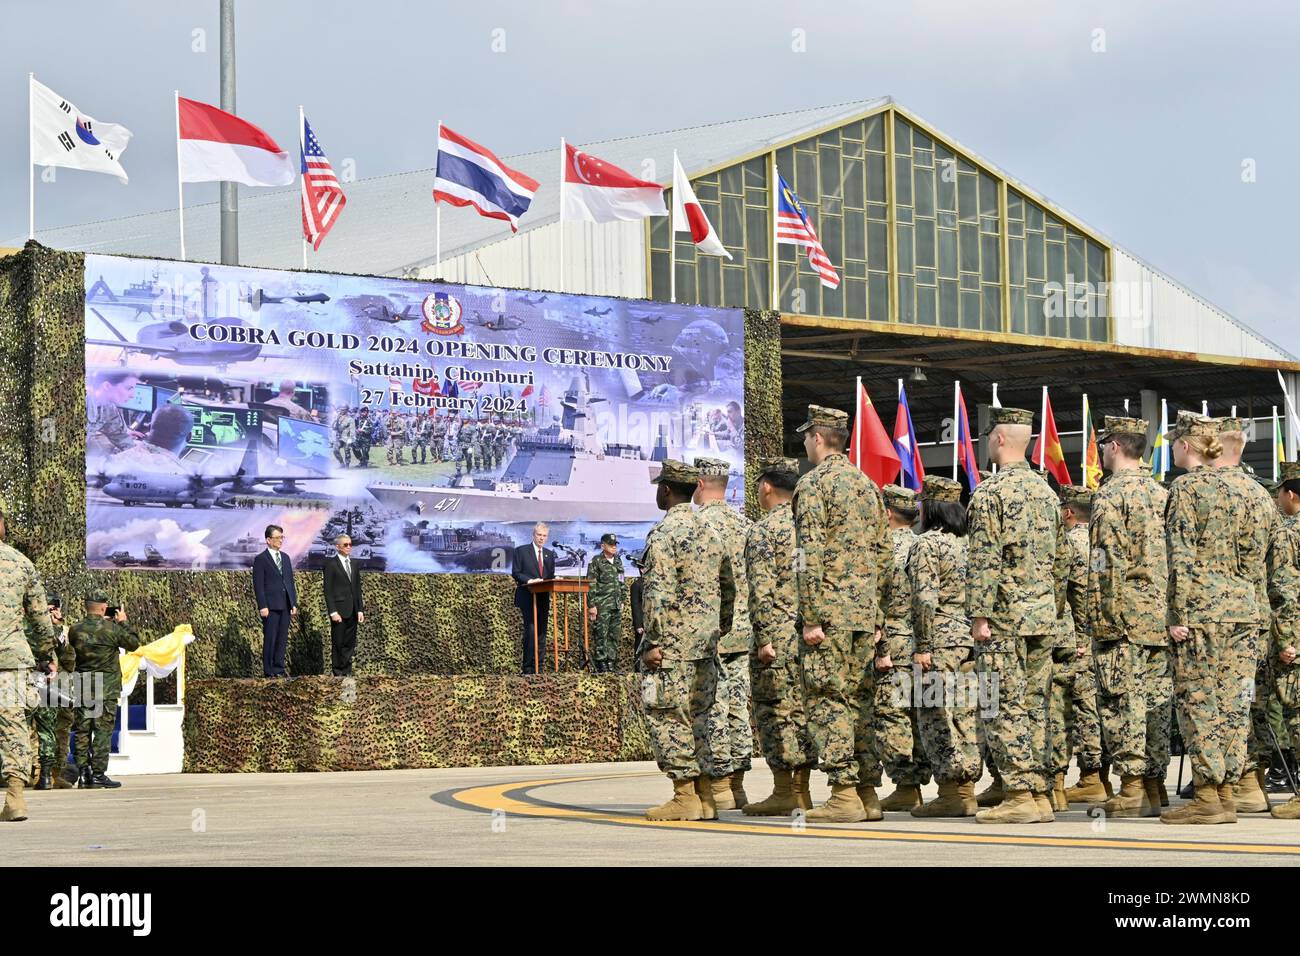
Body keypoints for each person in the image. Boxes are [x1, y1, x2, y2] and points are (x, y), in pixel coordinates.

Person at [967, 406, 1070, 825]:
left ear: (998, 440)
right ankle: (1040, 792)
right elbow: (1061, 561)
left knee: (1001, 703)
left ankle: (1020, 793)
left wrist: (979, 614)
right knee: (1035, 704)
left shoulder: (991, 494)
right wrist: (1053, 606)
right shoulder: (1047, 493)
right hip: (1042, 614)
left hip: (1004, 618)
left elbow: (984, 560)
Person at [793, 404, 892, 823]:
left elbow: (806, 556)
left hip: (829, 616)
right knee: (860, 701)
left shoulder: (813, 485)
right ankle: (867, 791)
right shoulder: (868, 486)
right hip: (862, 614)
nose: (804, 445)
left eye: (805, 438)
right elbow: (885, 555)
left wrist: (810, 616)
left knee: (827, 699)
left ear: (817, 437)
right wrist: (877, 616)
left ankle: (844, 794)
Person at [1161, 411, 1251, 825]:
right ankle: (1228, 791)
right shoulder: (1244, 489)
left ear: (1186, 445)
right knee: (1233, 706)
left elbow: (1181, 557)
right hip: (1241, 610)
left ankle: (1208, 796)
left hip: (1201, 610)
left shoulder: (1186, 488)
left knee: (1199, 702)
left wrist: (1175, 613)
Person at [1086, 417, 1171, 816]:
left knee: (1123, 703)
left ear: (1115, 445)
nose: (1101, 451)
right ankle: (1155, 788)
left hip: (1123, 616)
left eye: (1103, 444)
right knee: (1156, 703)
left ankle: (1132, 788)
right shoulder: (1161, 493)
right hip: (1159, 615)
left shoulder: (1110, 495)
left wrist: (1101, 617)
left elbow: (1104, 561)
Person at [639, 460, 727, 821]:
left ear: (665, 490)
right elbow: (730, 587)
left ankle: (684, 795)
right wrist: (716, 628)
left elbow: (657, 592)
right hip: (706, 644)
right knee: (700, 718)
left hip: (673, 645)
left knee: (666, 715)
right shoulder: (711, 533)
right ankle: (705, 796)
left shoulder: (664, 535)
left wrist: (653, 642)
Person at [1214, 417, 1279, 814]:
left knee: (1234, 702)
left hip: (1228, 616)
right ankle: (1247, 782)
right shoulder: (1260, 499)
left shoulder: (1213, 493)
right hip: (1258, 616)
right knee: (1247, 701)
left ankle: (1243, 781)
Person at [743, 457, 815, 815]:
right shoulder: (810, 526)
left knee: (775, 711)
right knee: (803, 710)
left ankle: (785, 790)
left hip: (779, 637)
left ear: (766, 487)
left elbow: (761, 589)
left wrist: (764, 638)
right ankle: (802, 790)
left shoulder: (763, 531)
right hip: (811, 635)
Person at [909, 475, 981, 817]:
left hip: (937, 641)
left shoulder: (928, 544)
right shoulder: (970, 544)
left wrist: (921, 645)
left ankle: (951, 791)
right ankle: (966, 789)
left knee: (935, 717)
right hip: (969, 641)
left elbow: (924, 599)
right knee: (967, 715)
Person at [694, 455, 755, 811]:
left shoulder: (698, 526)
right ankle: (737, 785)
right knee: (737, 708)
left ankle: (718, 786)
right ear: (728, 486)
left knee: (713, 708)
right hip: (743, 634)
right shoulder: (745, 526)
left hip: (710, 633)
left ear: (700, 484)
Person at [874, 484, 933, 812]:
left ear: (887, 513)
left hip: (894, 643)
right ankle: (921, 780)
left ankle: (906, 784)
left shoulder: (885, 550)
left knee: (892, 715)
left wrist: (880, 649)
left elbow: (877, 602)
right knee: (919, 713)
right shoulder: (925, 546)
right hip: (922, 643)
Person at [1047, 485, 1105, 811]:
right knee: (1090, 708)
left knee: (1063, 709)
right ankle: (1095, 777)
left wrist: (1080, 637)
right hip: (1095, 638)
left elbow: (1072, 596)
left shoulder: (1068, 544)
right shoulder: (1098, 544)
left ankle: (1061, 783)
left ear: (1068, 512)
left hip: (1070, 638)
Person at [0, 496, 55, 821]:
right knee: (12, 726)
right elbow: (40, 619)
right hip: (11, 659)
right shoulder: (21, 563)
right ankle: (16, 798)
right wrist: (47, 654)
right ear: (3, 528)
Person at [69, 593, 142, 789]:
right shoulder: (112, 629)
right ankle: (99, 774)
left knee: (82, 730)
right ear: (103, 608)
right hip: (106, 687)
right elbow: (134, 643)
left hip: (83, 684)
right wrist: (123, 623)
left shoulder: (74, 630)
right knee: (102, 731)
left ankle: (83, 774)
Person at [1267, 461, 1300, 818]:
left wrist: (1287, 640)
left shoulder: (1290, 533)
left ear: (1290, 494)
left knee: (1297, 715)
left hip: (1298, 639)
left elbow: (1286, 591)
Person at [253, 525, 298, 678]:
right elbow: (258, 585)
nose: (280, 541)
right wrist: (263, 606)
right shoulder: (261, 559)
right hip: (270, 607)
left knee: (282, 638)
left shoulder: (285, 558)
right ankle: (269, 670)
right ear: (268, 540)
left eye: (282, 537)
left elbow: (290, 582)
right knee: (270, 638)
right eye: (277, 537)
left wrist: (293, 602)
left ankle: (279, 669)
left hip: (285, 605)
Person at [511, 523, 556, 675]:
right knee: (531, 631)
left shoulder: (550, 554)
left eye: (544, 536)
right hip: (527, 596)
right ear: (533, 535)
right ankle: (528, 668)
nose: (541, 538)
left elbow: (549, 576)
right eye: (539, 535)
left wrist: (556, 579)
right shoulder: (521, 551)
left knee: (542, 632)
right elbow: (516, 572)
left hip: (543, 598)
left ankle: (539, 667)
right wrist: (529, 581)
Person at [323, 534, 365, 677]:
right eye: (345, 545)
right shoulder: (331, 564)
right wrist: (333, 612)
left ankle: (347, 671)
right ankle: (337, 673)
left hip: (353, 610)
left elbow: (357, 589)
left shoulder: (354, 564)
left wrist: (360, 609)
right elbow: (327, 590)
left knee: (349, 644)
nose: (348, 547)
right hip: (339, 612)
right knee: (338, 644)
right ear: (338, 546)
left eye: (350, 544)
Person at [586, 533, 624, 673]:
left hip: (616, 604)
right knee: (601, 634)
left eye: (615, 544)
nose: (614, 547)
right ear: (603, 546)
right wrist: (592, 605)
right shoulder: (596, 561)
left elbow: (621, 581)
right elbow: (591, 585)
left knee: (614, 634)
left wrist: (622, 599)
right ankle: (601, 662)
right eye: (610, 544)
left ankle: (611, 661)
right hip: (602, 605)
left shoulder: (618, 561)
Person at [86, 370, 141, 462]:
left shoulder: (108, 407)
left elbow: (120, 436)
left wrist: (142, 456)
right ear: (107, 386)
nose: (132, 395)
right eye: (128, 388)